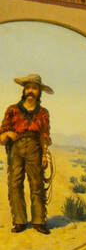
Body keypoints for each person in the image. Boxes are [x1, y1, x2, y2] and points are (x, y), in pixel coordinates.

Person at [0, 73, 53, 235]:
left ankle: (38, 221)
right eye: (28, 88)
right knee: (15, 184)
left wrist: (44, 154)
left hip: (35, 148)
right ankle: (20, 221)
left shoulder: (43, 113)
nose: (31, 91)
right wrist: (8, 134)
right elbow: (1, 135)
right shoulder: (12, 110)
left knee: (37, 185)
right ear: (24, 91)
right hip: (15, 148)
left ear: (39, 92)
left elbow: (44, 134)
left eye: (34, 88)